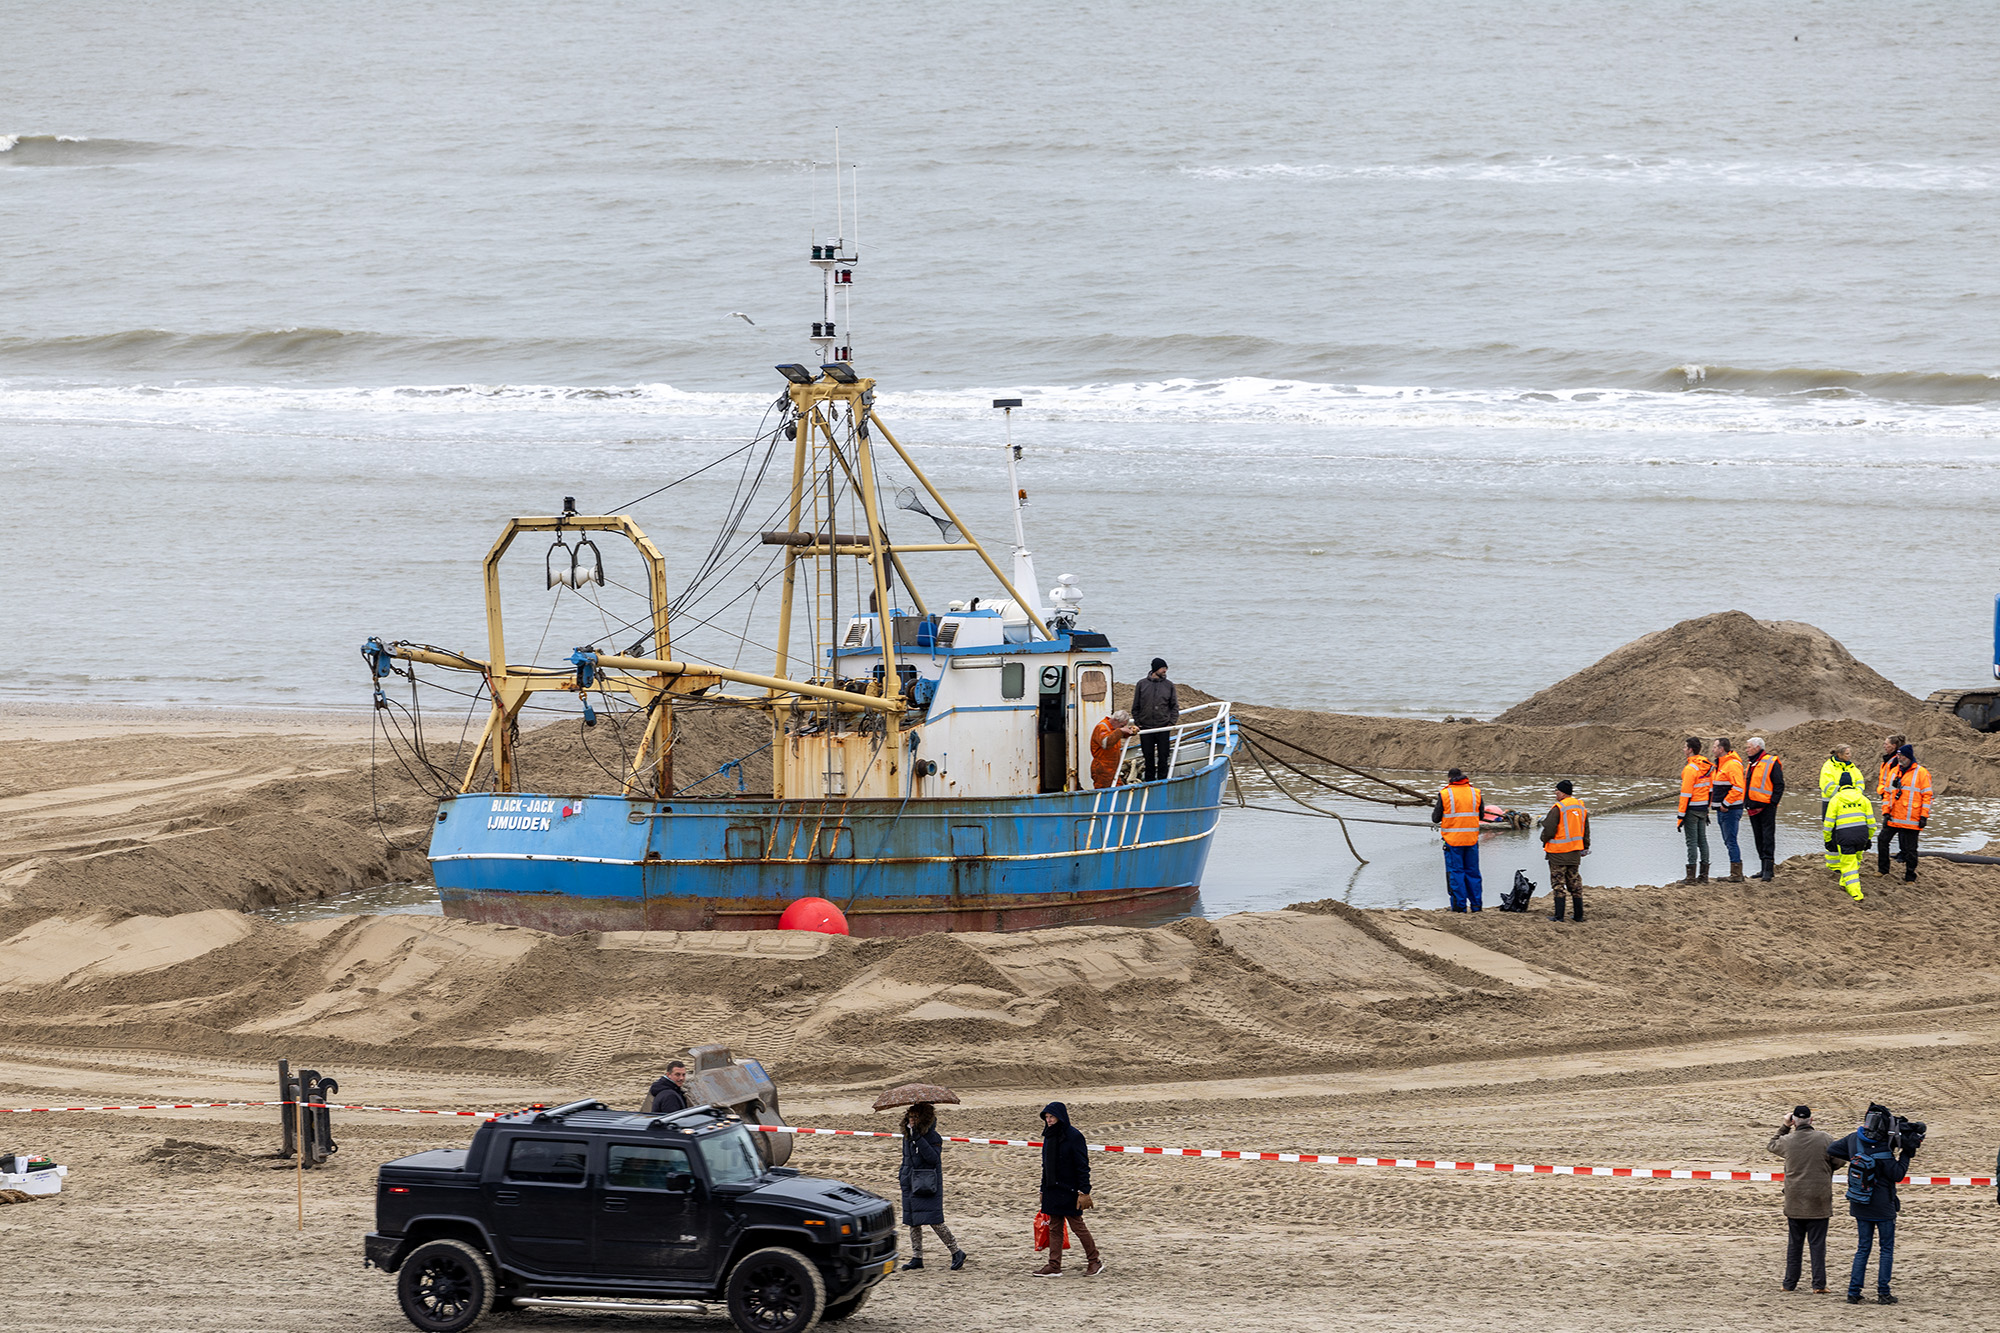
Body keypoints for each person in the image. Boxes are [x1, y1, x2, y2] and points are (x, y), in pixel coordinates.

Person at [1826, 1103, 1917, 1305]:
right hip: (1883, 1205)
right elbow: (1898, 1174)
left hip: (1860, 1202)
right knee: (1886, 1249)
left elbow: (1831, 1148)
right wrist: (1905, 1153)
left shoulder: (1853, 1139)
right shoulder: (1885, 1148)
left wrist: (1854, 1157)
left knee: (1863, 1247)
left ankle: (1853, 1292)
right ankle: (1883, 1293)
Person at [1767, 1104, 1836, 1293]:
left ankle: (1789, 1284)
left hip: (1795, 1200)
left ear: (1794, 1121)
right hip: (1819, 1200)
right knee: (1818, 1246)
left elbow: (1771, 1145)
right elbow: (1839, 1160)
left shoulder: (1788, 1140)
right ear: (1811, 1120)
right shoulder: (1824, 1138)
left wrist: (1784, 1126)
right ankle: (1819, 1285)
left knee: (1794, 1245)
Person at [1032, 1102, 1102, 1277]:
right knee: (1054, 1227)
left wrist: (1084, 1191)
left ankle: (1095, 1261)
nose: (1048, 1120)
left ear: (1060, 1117)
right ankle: (1054, 1265)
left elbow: (1082, 1165)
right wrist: (1042, 1188)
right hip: (1052, 1190)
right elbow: (1045, 1165)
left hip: (1070, 1190)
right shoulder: (1048, 1136)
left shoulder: (1074, 1136)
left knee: (1078, 1227)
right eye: (1046, 1117)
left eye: (1051, 1117)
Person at [898, 1102, 966, 1272]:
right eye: (910, 1116)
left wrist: (918, 1138)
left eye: (915, 1117)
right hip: (910, 1182)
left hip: (927, 1183)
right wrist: (903, 1176)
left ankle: (956, 1251)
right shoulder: (908, 1135)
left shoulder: (933, 1137)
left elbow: (933, 1158)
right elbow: (907, 1159)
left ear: (924, 1118)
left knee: (935, 1220)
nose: (912, 1120)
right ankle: (917, 1257)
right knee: (913, 1221)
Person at [1431, 768, 1484, 913]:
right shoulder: (1476, 793)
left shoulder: (1445, 794)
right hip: (1472, 840)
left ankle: (1459, 907)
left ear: (1449, 779)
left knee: (1456, 873)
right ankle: (1476, 905)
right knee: (1473, 873)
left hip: (1453, 841)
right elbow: (1482, 815)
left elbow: (1435, 818)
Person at [1539, 779, 1589, 922]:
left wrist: (1543, 839)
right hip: (1575, 853)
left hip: (1558, 853)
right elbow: (1586, 830)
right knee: (1575, 883)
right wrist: (1585, 847)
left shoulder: (1558, 808)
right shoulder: (1581, 807)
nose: (1555, 793)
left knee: (1558, 884)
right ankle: (1579, 916)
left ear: (1562, 792)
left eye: (1556, 791)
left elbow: (1548, 829)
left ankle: (1559, 916)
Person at [1879, 747, 1932, 883]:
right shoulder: (1893, 772)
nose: (1899, 758)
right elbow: (1887, 793)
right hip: (1893, 817)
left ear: (1908, 757)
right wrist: (1885, 812)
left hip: (1911, 819)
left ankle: (1910, 876)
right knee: (1882, 841)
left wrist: (1924, 816)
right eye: (1898, 756)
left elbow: (1927, 796)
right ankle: (1883, 870)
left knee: (1911, 850)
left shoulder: (1921, 773)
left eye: (1902, 756)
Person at [1821, 772, 1875, 903]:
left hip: (1845, 837)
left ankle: (1856, 894)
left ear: (1840, 785)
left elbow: (1828, 824)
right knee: (1855, 860)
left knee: (1848, 865)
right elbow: (1872, 824)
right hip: (1861, 835)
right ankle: (1843, 883)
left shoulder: (1836, 799)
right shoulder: (1863, 799)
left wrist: (1828, 840)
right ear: (1852, 784)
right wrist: (1868, 838)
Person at [1743, 737, 1786, 882]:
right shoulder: (1752, 763)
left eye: (1749, 747)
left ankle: (1768, 870)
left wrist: (1772, 803)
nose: (1746, 749)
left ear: (1757, 747)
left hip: (1766, 807)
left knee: (1768, 837)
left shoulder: (1770, 761)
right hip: (1752, 807)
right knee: (1758, 838)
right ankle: (1763, 868)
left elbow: (1779, 784)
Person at [1819, 745, 1865, 872]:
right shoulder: (1828, 766)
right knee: (1833, 833)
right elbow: (1827, 786)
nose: (1849, 756)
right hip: (1831, 803)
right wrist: (1845, 794)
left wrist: (1854, 794)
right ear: (1839, 754)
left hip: (1849, 804)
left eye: (1850, 753)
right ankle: (1834, 866)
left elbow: (1860, 782)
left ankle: (1848, 862)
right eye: (1847, 754)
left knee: (1848, 831)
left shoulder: (1852, 767)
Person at [1131, 659, 1179, 782]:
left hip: (1163, 727)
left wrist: (1171, 722)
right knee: (1148, 757)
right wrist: (1138, 721)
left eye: (1166, 668)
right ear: (1155, 669)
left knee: (1163, 756)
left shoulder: (1169, 685)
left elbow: (1174, 706)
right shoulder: (1141, 684)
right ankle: (1149, 781)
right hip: (1146, 727)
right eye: (1162, 668)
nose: (1165, 670)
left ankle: (1163, 780)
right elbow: (1135, 706)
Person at [1676, 737, 1713, 885]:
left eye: (1685, 747)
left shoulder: (1690, 769)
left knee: (1691, 842)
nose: (1683, 750)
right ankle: (1704, 876)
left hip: (1691, 809)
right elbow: (1710, 790)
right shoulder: (1707, 767)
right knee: (1702, 841)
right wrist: (1707, 810)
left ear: (1690, 750)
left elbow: (1685, 794)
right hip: (1703, 809)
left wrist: (1680, 817)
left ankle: (1691, 877)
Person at [1711, 737, 1747, 882]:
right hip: (1724, 809)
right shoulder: (1721, 764)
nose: (1712, 749)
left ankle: (1736, 874)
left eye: (1714, 747)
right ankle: (1735, 872)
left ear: (1721, 749)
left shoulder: (1731, 765)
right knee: (1728, 840)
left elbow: (1738, 787)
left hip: (1730, 809)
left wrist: (1725, 804)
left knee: (1731, 840)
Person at [1089, 710, 1137, 789]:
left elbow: (1117, 735)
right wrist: (1120, 731)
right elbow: (1106, 743)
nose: (1122, 728)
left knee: (1117, 790)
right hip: (1103, 769)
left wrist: (1131, 731)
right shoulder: (1101, 727)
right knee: (1104, 793)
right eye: (1122, 725)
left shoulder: (1114, 727)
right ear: (1115, 720)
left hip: (1113, 769)